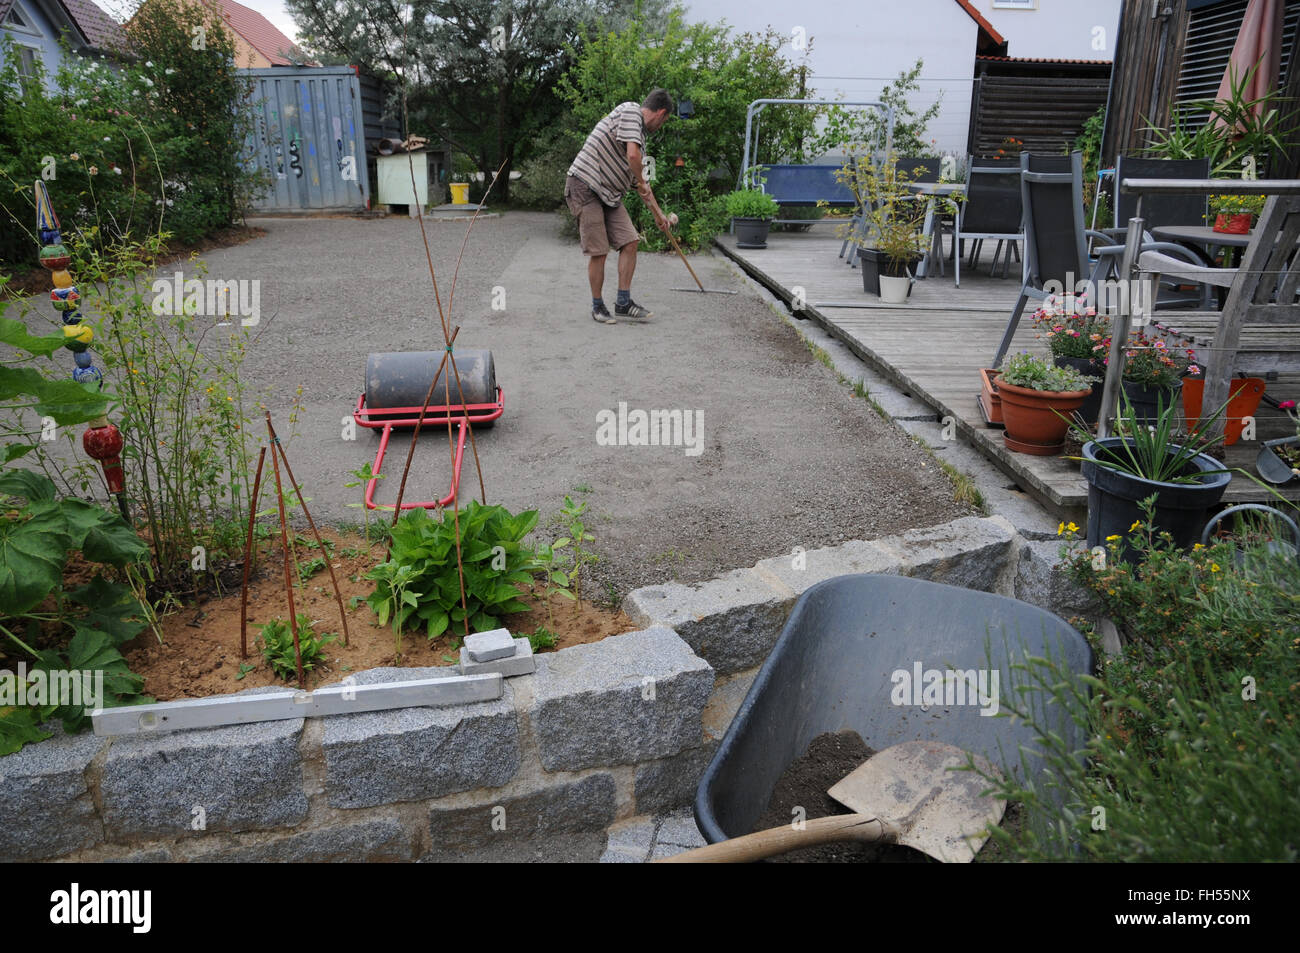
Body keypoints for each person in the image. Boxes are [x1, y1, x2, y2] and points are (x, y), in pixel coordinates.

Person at [565, 89, 674, 325]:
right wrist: (643, 182)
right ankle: (597, 306)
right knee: (599, 250)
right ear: (661, 113)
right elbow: (633, 160)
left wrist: (659, 216)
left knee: (630, 241)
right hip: (585, 184)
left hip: (609, 194)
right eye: (664, 121)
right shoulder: (631, 111)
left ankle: (623, 303)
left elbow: (641, 184)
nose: (661, 126)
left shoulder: (639, 139)